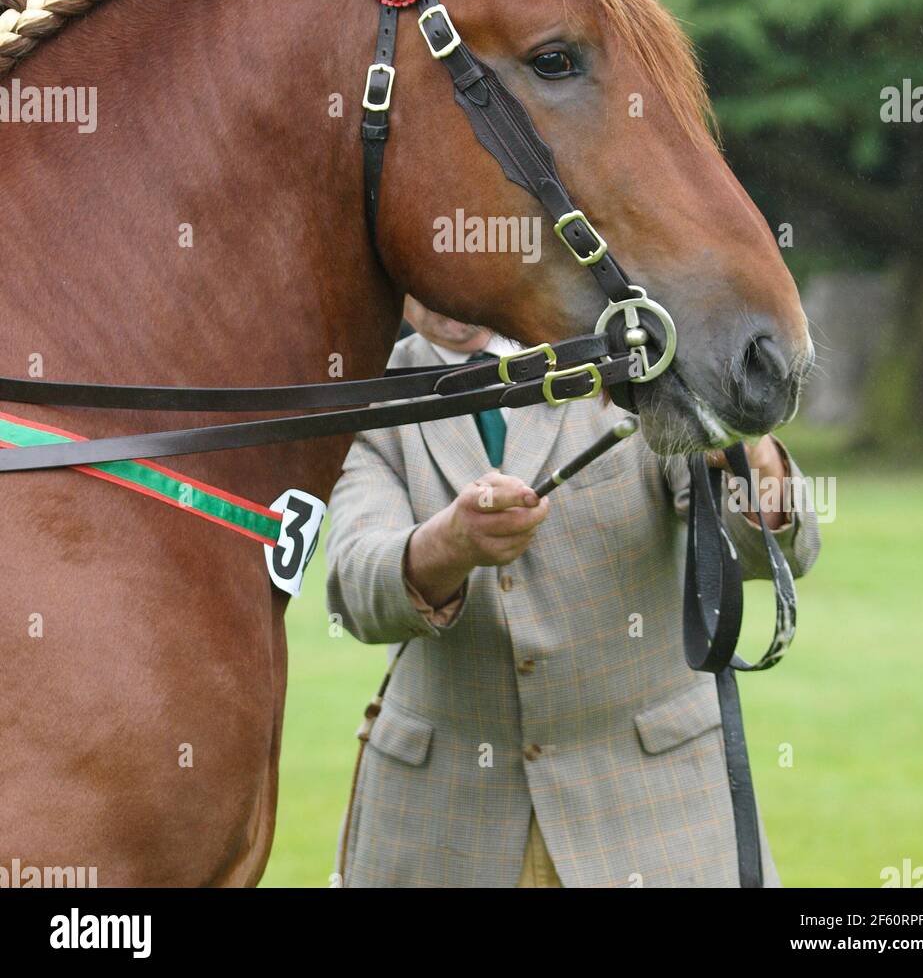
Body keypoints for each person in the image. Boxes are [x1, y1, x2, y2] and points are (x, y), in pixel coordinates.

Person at [326, 297, 819, 888]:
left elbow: (773, 548)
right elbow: (357, 590)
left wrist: (754, 453)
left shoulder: (625, 351)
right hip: (439, 831)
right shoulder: (364, 394)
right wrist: (450, 544)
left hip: (657, 814)